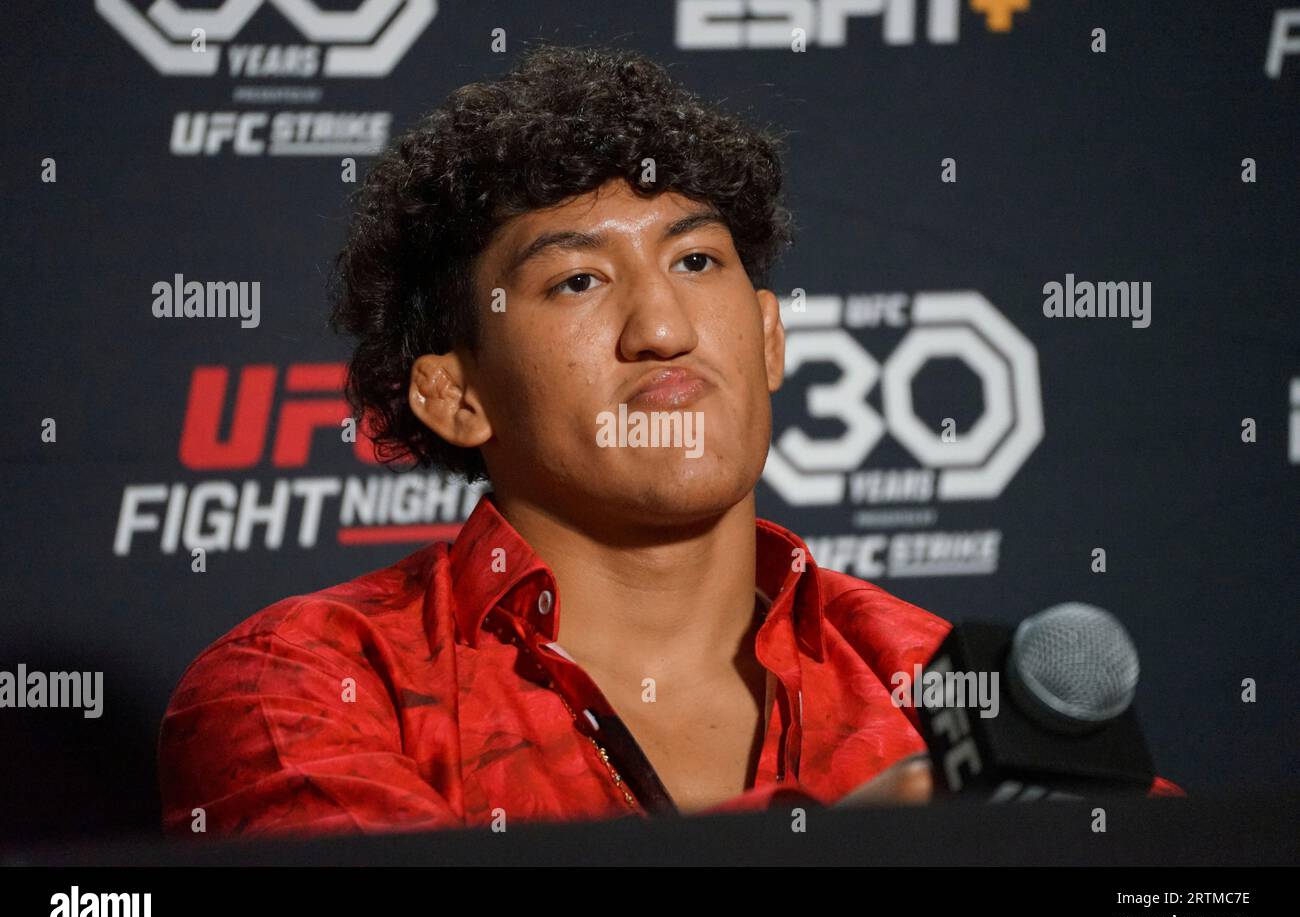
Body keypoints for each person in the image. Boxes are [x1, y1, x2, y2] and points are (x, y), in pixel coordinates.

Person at [157, 43, 1180, 840]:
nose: (663, 327)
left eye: (696, 261)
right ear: (455, 393)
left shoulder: (937, 687)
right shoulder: (302, 683)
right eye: (577, 280)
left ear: (770, 337)